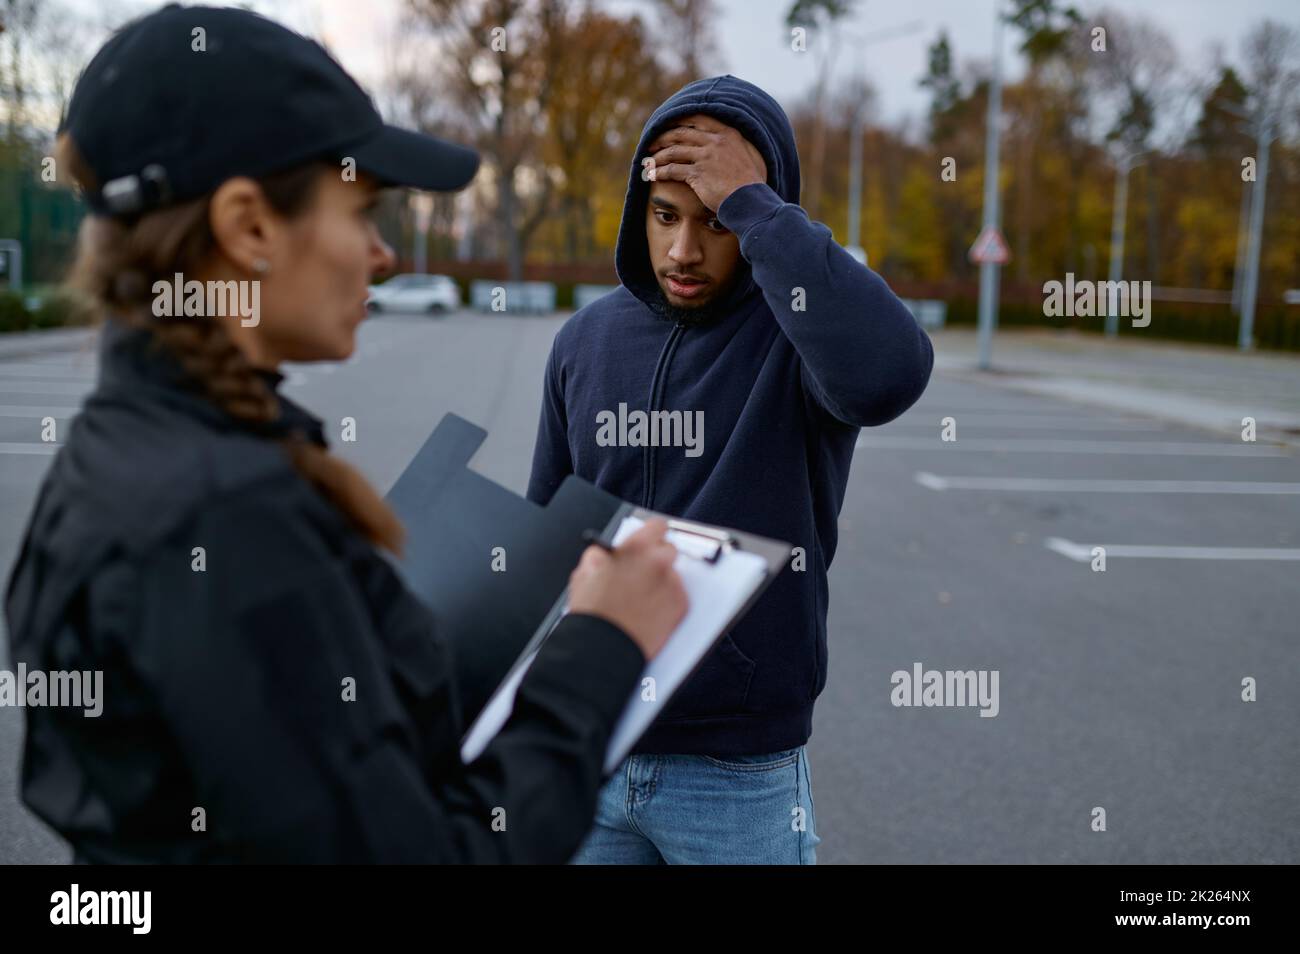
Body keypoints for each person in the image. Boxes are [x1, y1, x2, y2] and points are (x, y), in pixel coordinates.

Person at [3, 3, 687, 864]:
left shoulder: (125, 456)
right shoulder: (230, 517)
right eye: (360, 211)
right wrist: (603, 643)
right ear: (250, 226)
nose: (382, 253)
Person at [527, 75, 934, 864]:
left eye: (715, 221)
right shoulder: (584, 342)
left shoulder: (800, 339)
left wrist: (756, 205)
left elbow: (891, 375)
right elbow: (550, 536)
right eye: (665, 216)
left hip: (735, 776)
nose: (683, 250)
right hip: (592, 749)